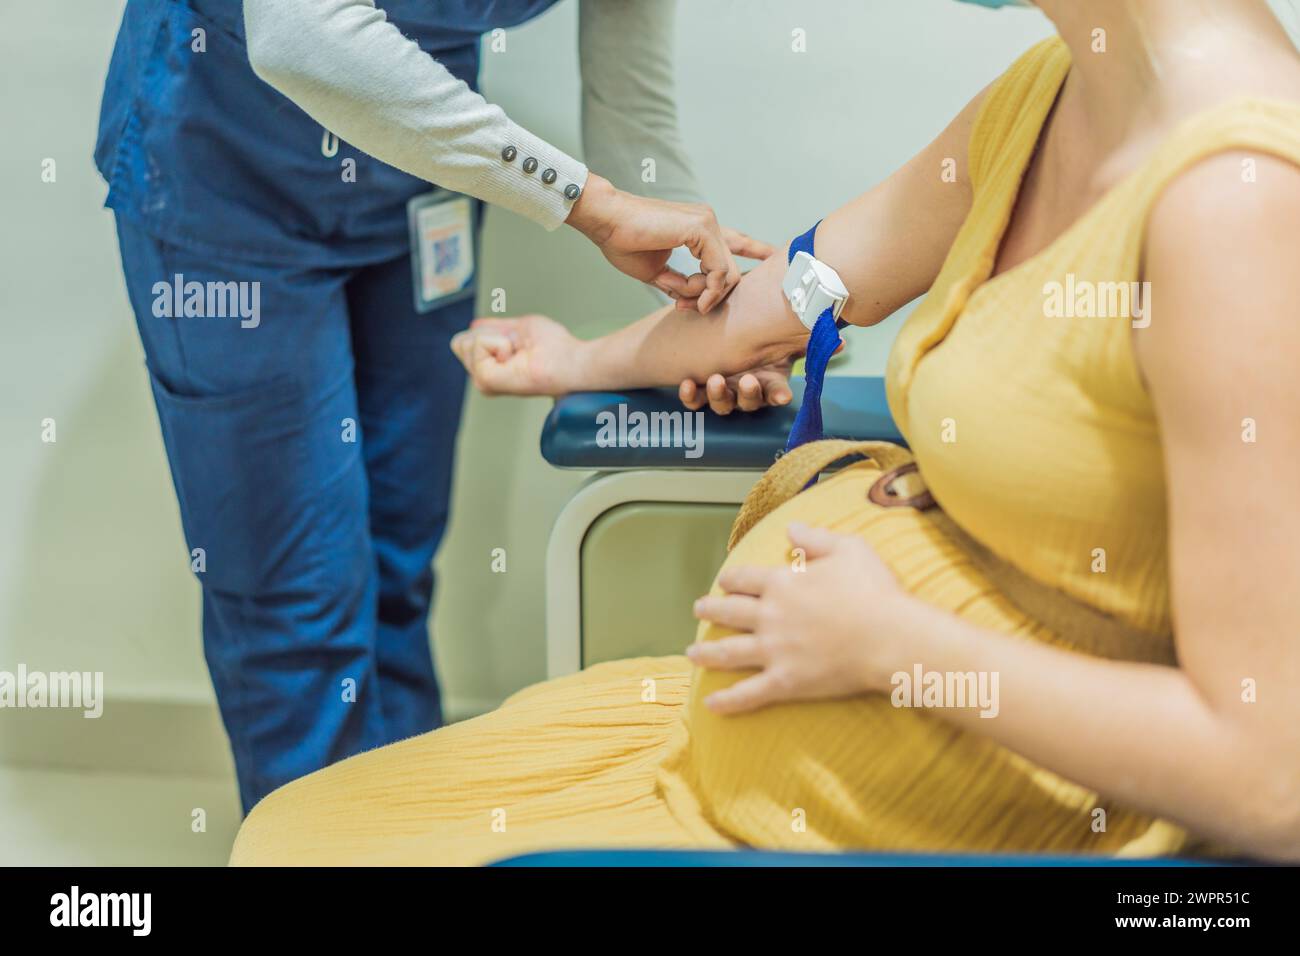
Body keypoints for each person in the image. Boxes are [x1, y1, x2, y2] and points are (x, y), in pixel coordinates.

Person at [230, 0, 1300, 865]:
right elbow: (791, 293)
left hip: (944, 802)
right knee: (293, 831)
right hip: (753, 745)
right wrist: (583, 359)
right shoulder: (1043, 97)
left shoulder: (1237, 203)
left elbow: (1273, 779)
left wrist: (900, 647)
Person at [95, 0, 770, 814]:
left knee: (399, 566)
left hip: (417, 187)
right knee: (297, 605)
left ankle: (401, 832)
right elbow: (299, 31)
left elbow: (631, 102)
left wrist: (703, 301)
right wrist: (588, 204)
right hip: (225, 182)